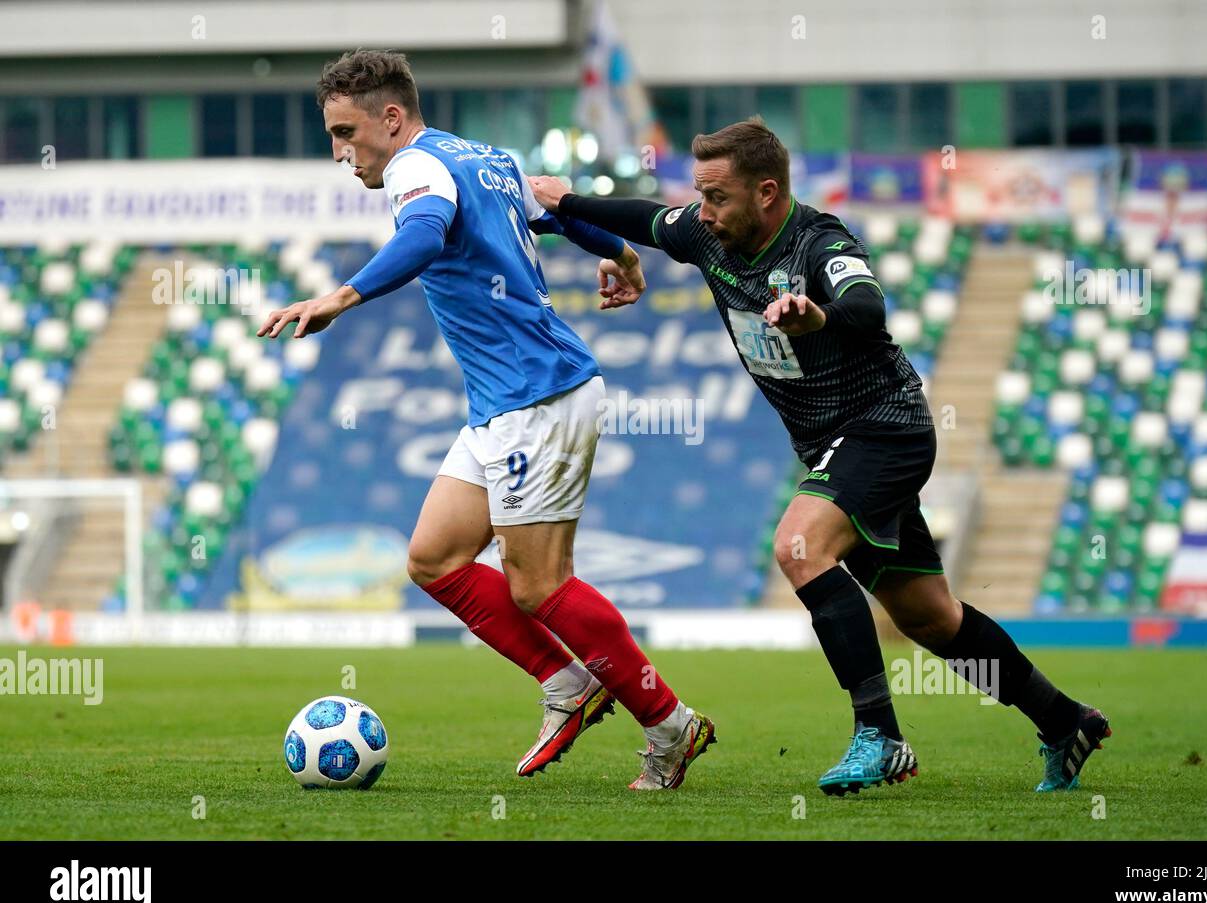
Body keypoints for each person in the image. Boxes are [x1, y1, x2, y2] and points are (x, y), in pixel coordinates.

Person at [529, 116, 1109, 795]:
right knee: (929, 616)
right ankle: (1064, 720)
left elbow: (868, 306)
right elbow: (649, 219)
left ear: (768, 192)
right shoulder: (704, 235)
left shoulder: (819, 241)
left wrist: (819, 316)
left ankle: (881, 738)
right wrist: (563, 204)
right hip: (834, 446)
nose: (704, 212)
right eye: (701, 195)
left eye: (719, 197)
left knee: (801, 547)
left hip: (885, 426)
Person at [258, 49, 715, 790]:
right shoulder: (485, 158)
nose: (341, 153)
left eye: (346, 132)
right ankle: (567, 684)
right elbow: (556, 210)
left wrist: (343, 296)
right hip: (506, 403)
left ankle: (671, 726)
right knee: (434, 559)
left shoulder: (415, 170)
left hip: (539, 396)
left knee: (539, 586)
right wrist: (622, 253)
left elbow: (425, 234)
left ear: (392, 117)